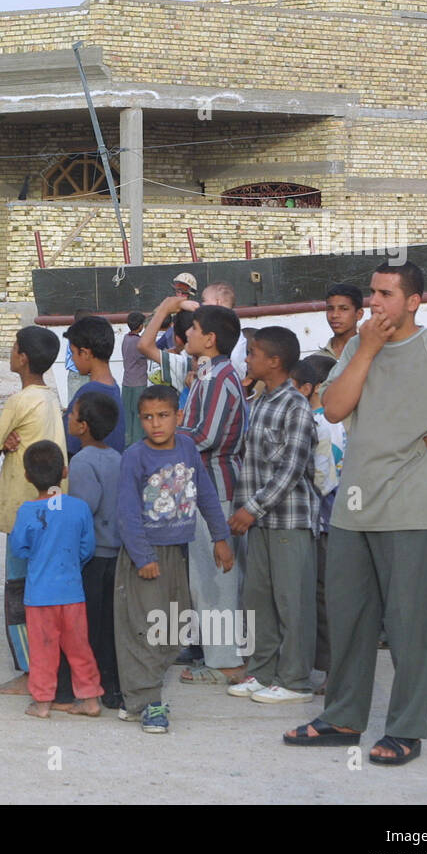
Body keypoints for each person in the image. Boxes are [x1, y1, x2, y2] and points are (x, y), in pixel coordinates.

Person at [283, 261, 427, 765]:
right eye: (372, 293)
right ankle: (343, 718)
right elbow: (335, 409)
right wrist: (366, 347)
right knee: (348, 618)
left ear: (413, 301)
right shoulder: (359, 348)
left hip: (413, 506)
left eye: (386, 294)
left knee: (411, 626)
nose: (375, 303)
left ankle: (406, 730)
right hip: (353, 506)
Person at [115, 384, 234, 733]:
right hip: (146, 555)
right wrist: (142, 555)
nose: (156, 424)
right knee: (145, 629)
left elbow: (207, 496)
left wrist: (220, 537)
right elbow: (127, 512)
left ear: (178, 417)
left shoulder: (186, 448)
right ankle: (148, 702)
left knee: (173, 626)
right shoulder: (135, 457)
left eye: (163, 416)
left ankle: (141, 695)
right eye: (148, 417)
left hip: (178, 552)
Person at [226, 327, 319, 704]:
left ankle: (296, 680)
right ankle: (262, 672)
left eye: (252, 352)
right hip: (260, 522)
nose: (247, 358)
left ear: (275, 361)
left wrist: (251, 508)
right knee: (258, 599)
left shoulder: (295, 405)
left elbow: (291, 470)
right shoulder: (262, 400)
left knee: (291, 600)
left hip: (287, 522)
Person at [0, 326, 67, 696]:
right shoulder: (51, 398)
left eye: (15, 347)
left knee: (18, 591)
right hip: (53, 505)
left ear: (23, 359)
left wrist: (3, 444)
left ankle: (30, 670)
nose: (12, 351)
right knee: (45, 586)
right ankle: (53, 662)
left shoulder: (18, 403)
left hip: (22, 510)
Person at [176, 303, 249, 685]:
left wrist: (168, 438)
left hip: (217, 488)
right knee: (203, 577)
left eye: (193, 328)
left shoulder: (221, 378)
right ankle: (214, 654)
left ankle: (226, 664)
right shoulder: (207, 374)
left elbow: (206, 436)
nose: (186, 333)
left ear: (210, 339)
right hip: (201, 487)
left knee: (218, 579)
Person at [10, 441, 102, 718]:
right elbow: (88, 548)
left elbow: (19, 548)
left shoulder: (27, 511)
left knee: (42, 651)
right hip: (73, 594)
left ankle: (41, 704)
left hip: (39, 596)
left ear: (27, 476)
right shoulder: (79, 508)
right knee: (79, 649)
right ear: (64, 472)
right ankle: (90, 700)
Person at [66, 393, 124, 709]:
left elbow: (83, 510)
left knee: (87, 624)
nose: (68, 417)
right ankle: (112, 686)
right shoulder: (118, 457)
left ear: (84, 426)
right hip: (117, 554)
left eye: (73, 414)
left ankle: (87, 686)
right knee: (111, 625)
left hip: (94, 557)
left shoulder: (82, 462)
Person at [291, 355, 342, 690]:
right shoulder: (344, 422)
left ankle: (331, 671)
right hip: (345, 519)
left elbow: (322, 481)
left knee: (323, 597)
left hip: (323, 522)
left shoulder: (315, 423)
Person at [63, 315, 126, 456]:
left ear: (85, 353)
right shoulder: (113, 387)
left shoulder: (88, 394)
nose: (72, 358)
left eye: (73, 352)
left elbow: (69, 447)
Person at [317, 283, 364, 361]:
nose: (334, 315)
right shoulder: (317, 359)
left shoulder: (370, 353)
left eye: (344, 309)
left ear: (359, 314)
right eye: (330, 308)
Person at [120, 311, 148, 448]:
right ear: (140, 326)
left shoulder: (125, 338)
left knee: (127, 416)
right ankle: (137, 445)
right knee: (138, 416)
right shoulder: (139, 342)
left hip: (126, 382)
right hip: (138, 384)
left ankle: (126, 444)